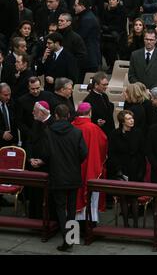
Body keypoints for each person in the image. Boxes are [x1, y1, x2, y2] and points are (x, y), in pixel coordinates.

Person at [46, 104, 87, 251]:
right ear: (69, 115)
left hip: (57, 174)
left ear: (56, 115)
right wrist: (75, 163)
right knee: (72, 208)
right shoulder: (76, 132)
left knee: (60, 208)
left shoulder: (49, 132)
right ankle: (72, 237)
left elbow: (46, 153)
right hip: (73, 174)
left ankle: (66, 238)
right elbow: (84, 152)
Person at [107, 110, 146, 228]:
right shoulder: (115, 134)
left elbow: (141, 153)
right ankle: (125, 224)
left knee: (134, 198)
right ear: (122, 121)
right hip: (121, 169)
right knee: (123, 197)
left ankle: (135, 224)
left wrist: (141, 171)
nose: (132, 120)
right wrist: (118, 170)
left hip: (135, 168)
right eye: (129, 119)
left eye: (132, 118)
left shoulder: (138, 133)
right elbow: (112, 153)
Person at [72, 102, 107, 228]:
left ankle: (74, 226)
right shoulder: (93, 128)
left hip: (74, 167)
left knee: (75, 194)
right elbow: (103, 144)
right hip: (90, 166)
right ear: (90, 112)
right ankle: (89, 223)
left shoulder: (71, 126)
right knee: (90, 194)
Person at [0, 82, 17, 147]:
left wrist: (14, 141)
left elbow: (14, 123)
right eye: (5, 95)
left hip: (10, 142)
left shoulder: (12, 103)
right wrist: (2, 134)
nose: (8, 97)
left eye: (9, 94)